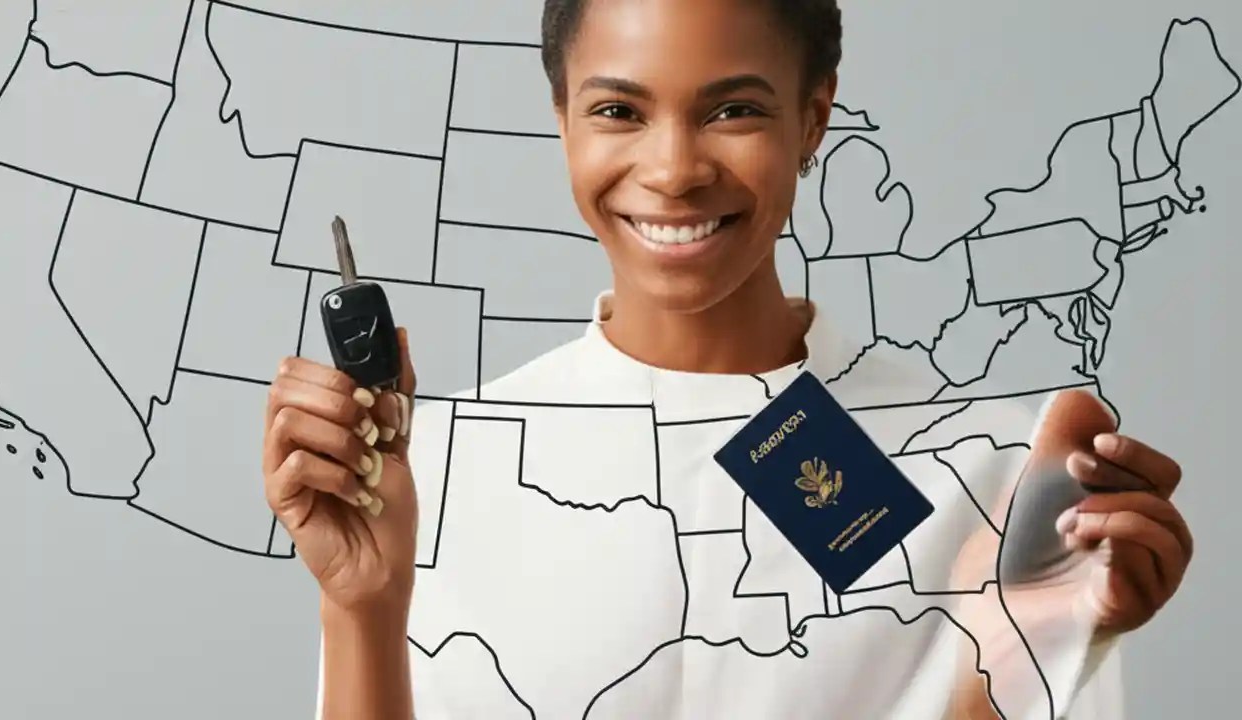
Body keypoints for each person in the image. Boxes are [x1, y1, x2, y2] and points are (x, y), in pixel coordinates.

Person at [261, 0, 1194, 717]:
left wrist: (1028, 659)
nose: (674, 170)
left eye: (734, 109)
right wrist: (361, 608)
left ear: (813, 118)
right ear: (562, 119)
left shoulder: (992, 476)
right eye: (618, 109)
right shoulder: (428, 467)